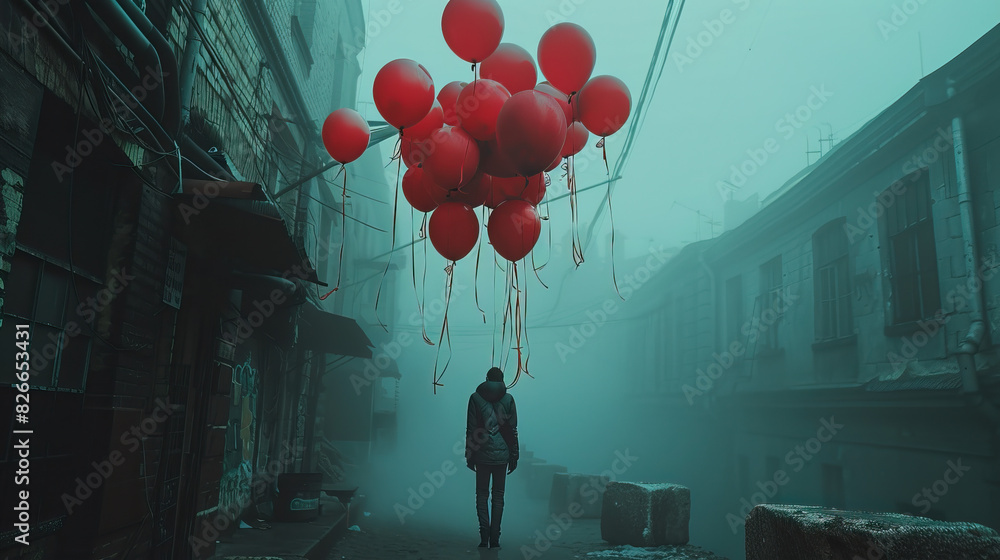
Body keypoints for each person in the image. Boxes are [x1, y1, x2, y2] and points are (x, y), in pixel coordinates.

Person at [466, 366, 519, 549]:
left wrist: (469, 455)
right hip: (502, 456)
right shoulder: (509, 399)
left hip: (481, 454)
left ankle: (484, 537)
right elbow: (513, 430)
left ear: (486, 378)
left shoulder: (475, 398)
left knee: (482, 495)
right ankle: (495, 538)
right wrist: (514, 456)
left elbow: (471, 428)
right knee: (498, 496)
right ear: (502, 380)